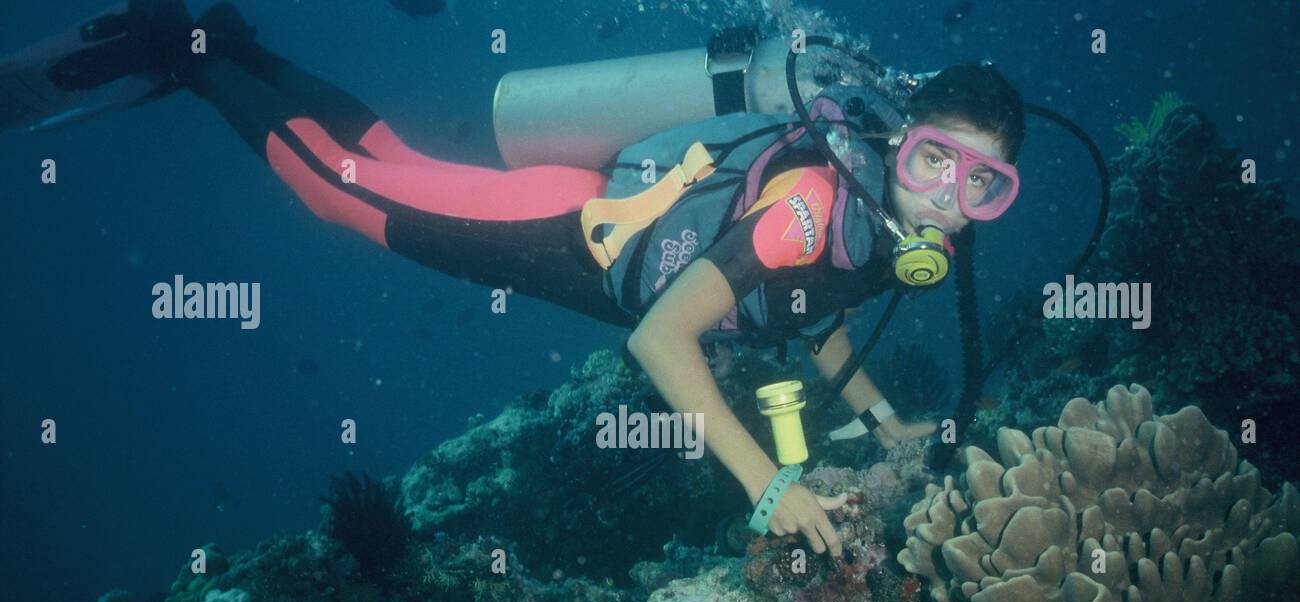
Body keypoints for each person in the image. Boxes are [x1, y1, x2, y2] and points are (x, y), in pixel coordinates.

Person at [11, 0, 1026, 560]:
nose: (946, 193)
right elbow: (662, 338)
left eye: (981, 183)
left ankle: (230, 44)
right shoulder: (813, 202)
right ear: (899, 139)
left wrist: (883, 417)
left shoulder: (878, 230)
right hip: (561, 230)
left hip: (594, 209)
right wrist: (767, 490)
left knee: (391, 160)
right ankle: (179, 54)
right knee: (348, 192)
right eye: (934, 158)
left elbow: (810, 313)